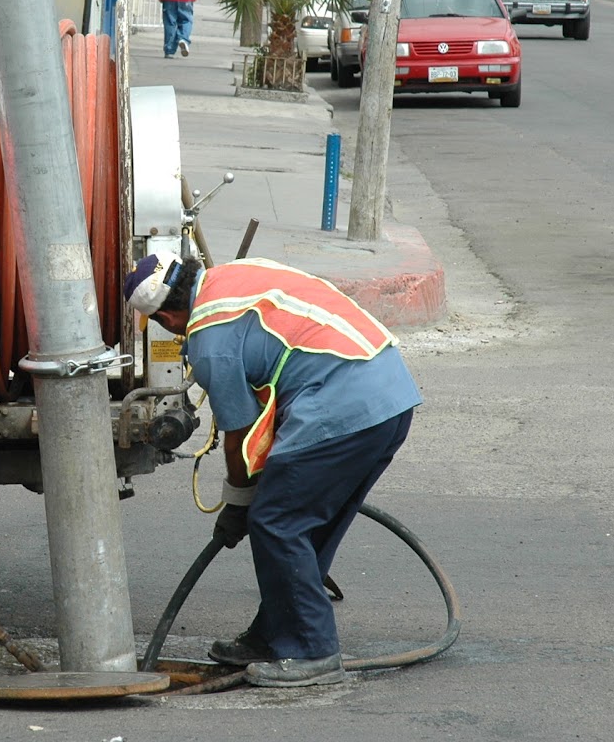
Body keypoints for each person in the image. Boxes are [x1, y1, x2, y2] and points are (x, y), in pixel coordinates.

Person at [123, 252, 422, 688]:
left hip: (341, 406)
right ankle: (274, 636)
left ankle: (313, 652)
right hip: (389, 395)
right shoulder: (234, 274)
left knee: (277, 522)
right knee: (307, 522)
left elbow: (240, 435)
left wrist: (238, 505)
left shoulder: (209, 339)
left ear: (168, 317)